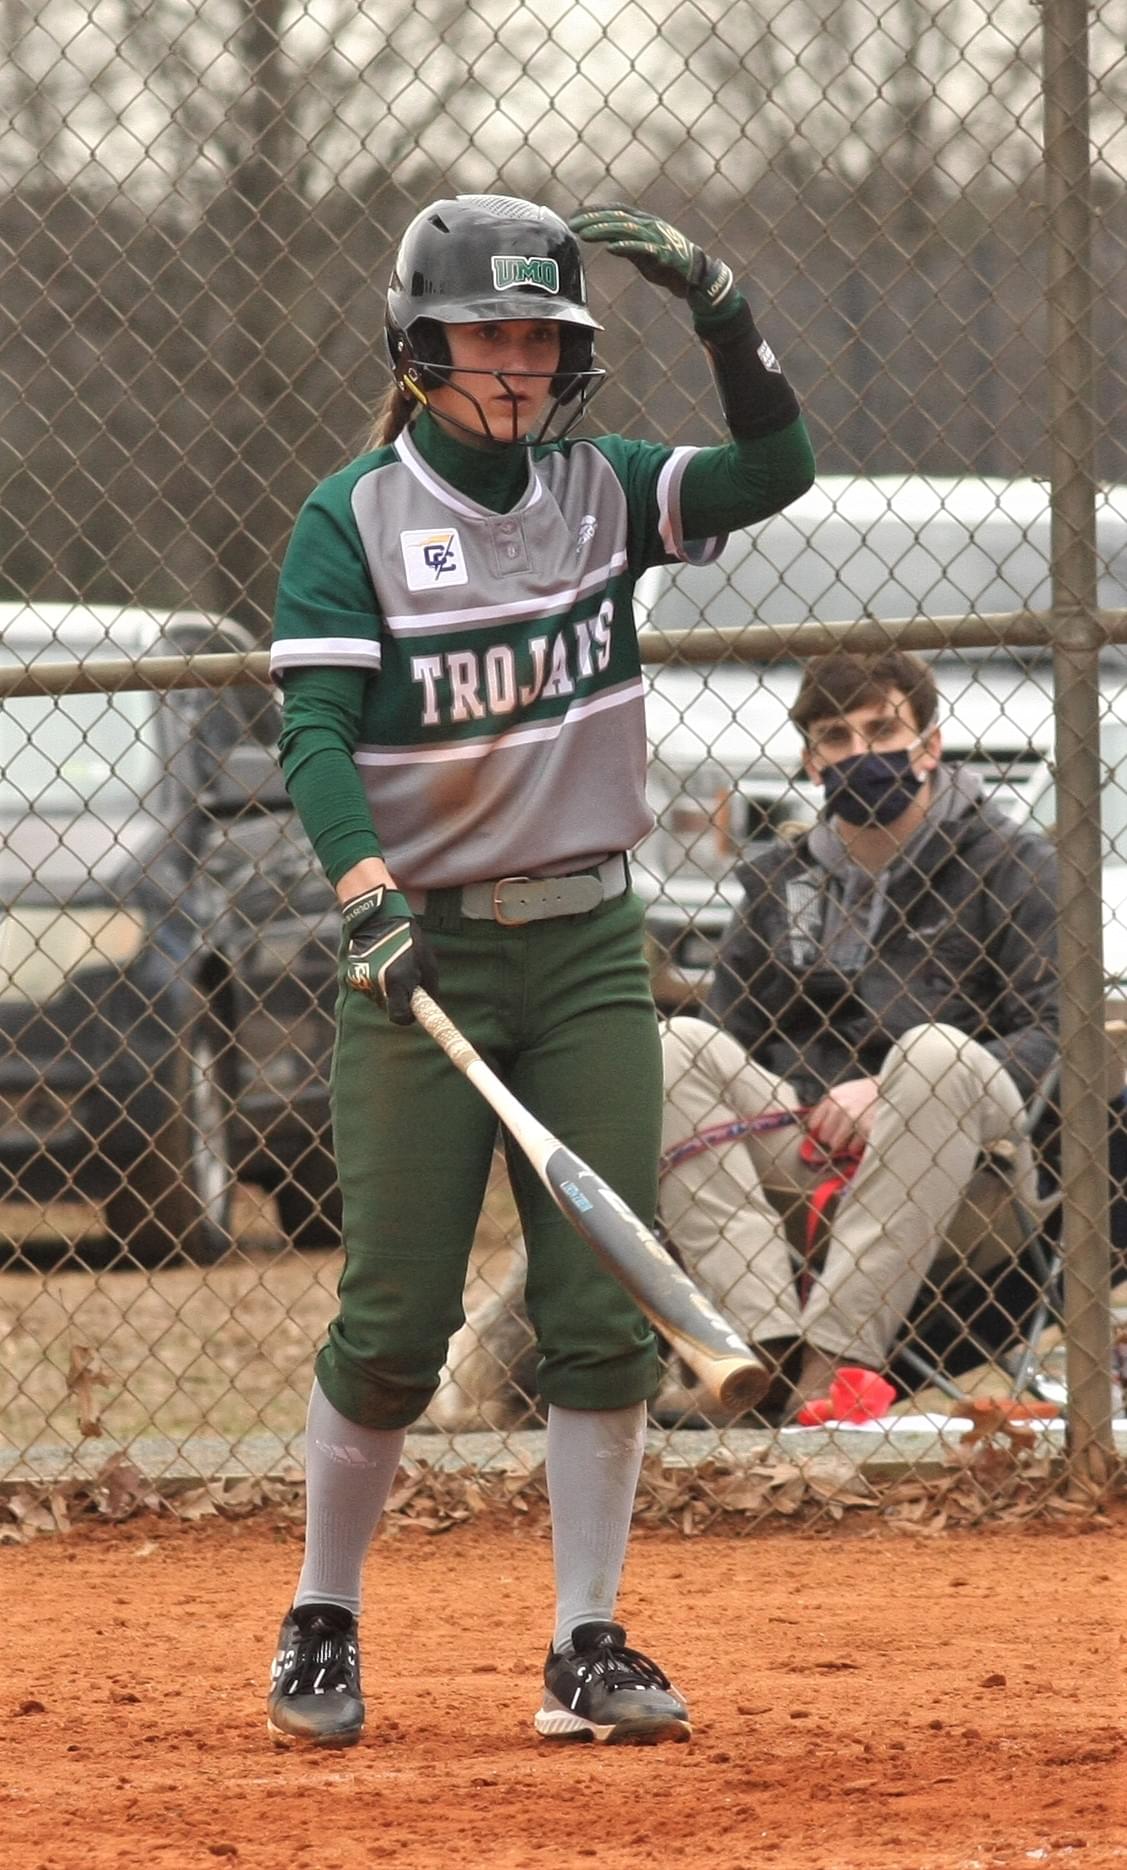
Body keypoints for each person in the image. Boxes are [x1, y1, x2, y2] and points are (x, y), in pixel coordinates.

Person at [266, 193, 814, 1748]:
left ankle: (583, 1641)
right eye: (484, 336)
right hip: (420, 949)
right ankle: (321, 1612)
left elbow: (775, 468)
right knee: (393, 1320)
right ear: (418, 346)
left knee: (597, 1312)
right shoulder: (353, 518)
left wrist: (721, 310)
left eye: (540, 338)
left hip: (584, 949)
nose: (515, 364)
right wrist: (363, 886)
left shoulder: (601, 491)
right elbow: (316, 734)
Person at [660, 648, 1059, 1417]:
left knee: (931, 1053)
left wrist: (888, 1090)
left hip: (964, 1161)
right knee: (674, 1046)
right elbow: (726, 1040)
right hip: (806, 1140)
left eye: (882, 731)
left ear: (928, 745)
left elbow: (1053, 1033)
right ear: (811, 761)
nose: (860, 754)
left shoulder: (1011, 862)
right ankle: (758, 1359)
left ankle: (834, 1368)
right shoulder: (779, 881)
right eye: (835, 738)